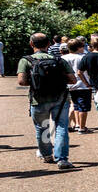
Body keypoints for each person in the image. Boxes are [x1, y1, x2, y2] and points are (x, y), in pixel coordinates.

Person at [17, 32, 75, 169]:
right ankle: (62, 159)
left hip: (39, 100)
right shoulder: (59, 60)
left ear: (31, 44)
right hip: (60, 99)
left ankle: (47, 155)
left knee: (42, 128)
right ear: (48, 44)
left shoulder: (26, 60)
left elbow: (21, 81)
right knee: (61, 128)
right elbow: (73, 79)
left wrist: (36, 83)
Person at [65, 39, 94, 134]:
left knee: (76, 106)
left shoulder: (64, 58)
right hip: (83, 85)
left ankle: (77, 124)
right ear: (79, 48)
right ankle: (82, 127)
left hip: (70, 85)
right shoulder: (83, 57)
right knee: (83, 107)